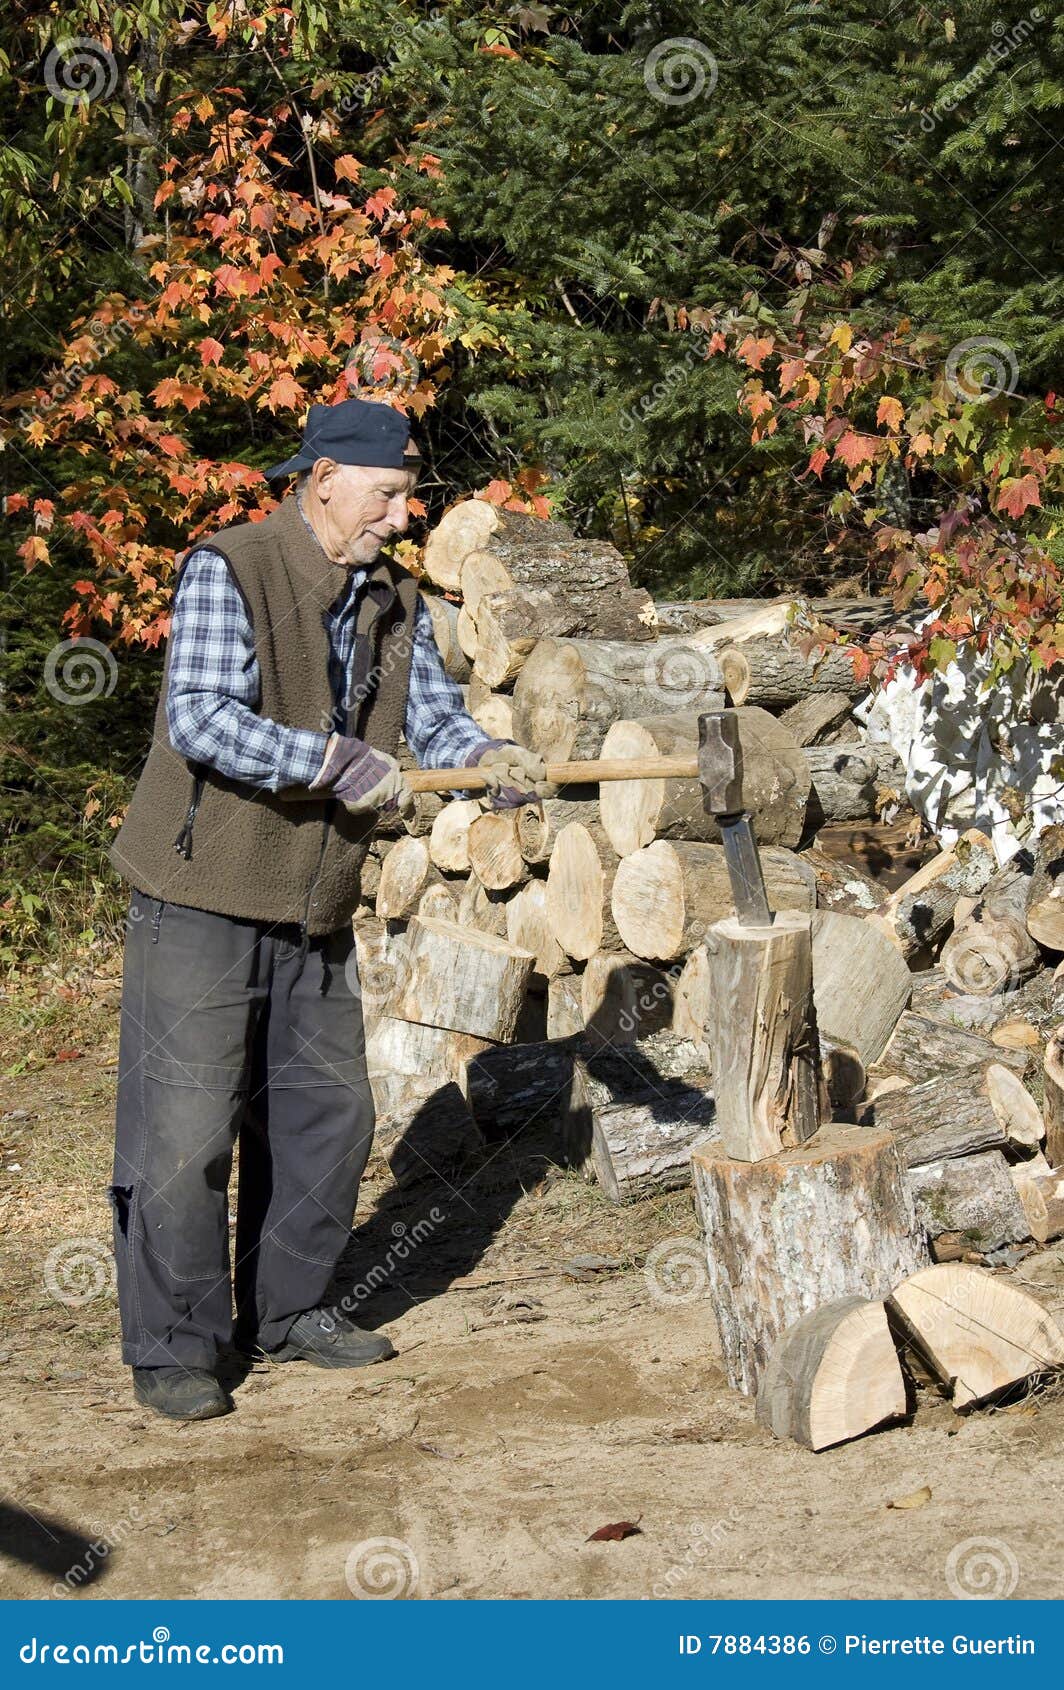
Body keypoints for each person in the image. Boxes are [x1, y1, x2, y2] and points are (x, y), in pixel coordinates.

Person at [107, 397, 550, 1421]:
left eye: (406, 494)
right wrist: (332, 760)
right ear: (323, 481)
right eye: (389, 494)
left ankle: (289, 1308)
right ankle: (174, 1346)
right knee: (182, 1135)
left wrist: (489, 761)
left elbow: (432, 721)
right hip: (200, 893)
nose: (402, 515)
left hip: (312, 901)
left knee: (327, 1116)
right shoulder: (234, 566)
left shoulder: (393, 600)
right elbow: (202, 718)